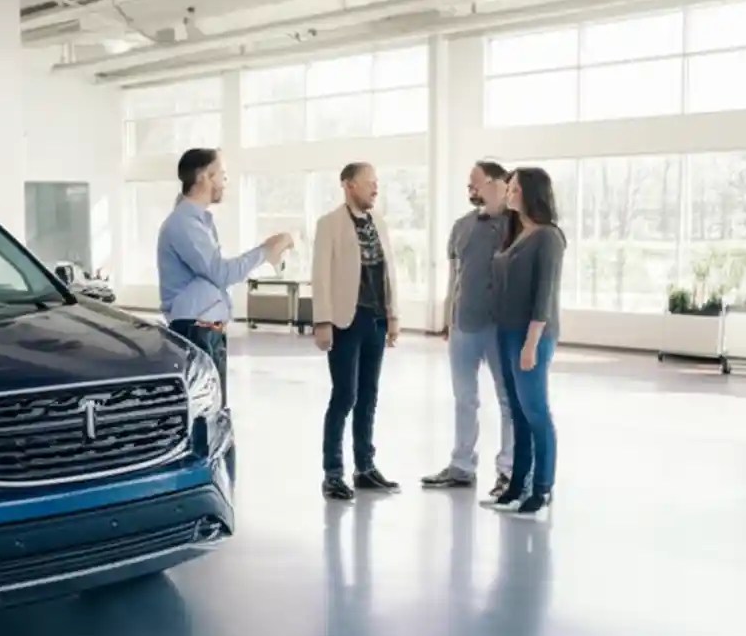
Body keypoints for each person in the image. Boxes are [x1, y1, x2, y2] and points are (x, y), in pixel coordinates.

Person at [157, 148, 292, 403]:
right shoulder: (184, 224)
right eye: (223, 175)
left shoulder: (199, 221)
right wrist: (266, 250)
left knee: (215, 410)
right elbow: (221, 272)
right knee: (204, 413)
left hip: (206, 329)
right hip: (195, 330)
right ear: (205, 177)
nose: (225, 183)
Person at [422, 161, 516, 496]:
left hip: (501, 326)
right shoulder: (461, 226)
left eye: (475, 184)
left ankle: (508, 470)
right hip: (464, 325)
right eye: (468, 186)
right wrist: (449, 316)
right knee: (464, 398)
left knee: (508, 400)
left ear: (496, 183)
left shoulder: (516, 225)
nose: (471, 191)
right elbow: (455, 276)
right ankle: (462, 465)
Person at [311, 162, 400, 501]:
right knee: (344, 396)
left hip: (376, 320)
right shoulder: (329, 224)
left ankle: (365, 467)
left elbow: (389, 270)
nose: (375, 188)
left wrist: (394, 316)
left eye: (377, 182)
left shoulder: (379, 222)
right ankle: (333, 474)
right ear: (348, 185)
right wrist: (322, 322)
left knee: (369, 397)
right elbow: (320, 275)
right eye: (369, 183)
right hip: (345, 322)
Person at [485, 167, 566, 517]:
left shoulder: (548, 237)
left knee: (536, 411)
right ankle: (518, 485)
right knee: (517, 413)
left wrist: (531, 343)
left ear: (532, 193)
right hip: (506, 331)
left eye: (515, 188)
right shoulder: (516, 233)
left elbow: (544, 295)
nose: (510, 193)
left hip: (531, 334)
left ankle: (542, 488)